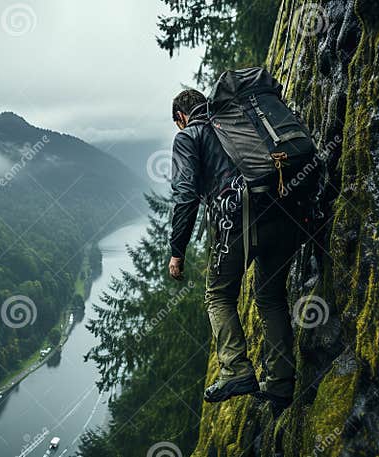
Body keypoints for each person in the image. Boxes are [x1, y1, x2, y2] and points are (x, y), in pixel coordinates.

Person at [168, 88, 300, 416]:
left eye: (177, 124)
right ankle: (281, 381)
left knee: (218, 296)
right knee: (271, 297)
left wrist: (177, 251)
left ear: (181, 118)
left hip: (236, 218)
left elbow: (185, 196)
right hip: (282, 208)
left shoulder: (189, 137)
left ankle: (236, 369)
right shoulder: (236, 121)